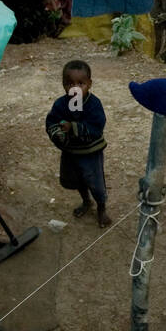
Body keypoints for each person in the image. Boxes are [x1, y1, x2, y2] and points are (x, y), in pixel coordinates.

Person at [46, 60, 111, 227]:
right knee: (78, 180)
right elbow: (51, 122)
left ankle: (101, 208)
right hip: (71, 152)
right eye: (70, 84)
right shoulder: (61, 104)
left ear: (89, 84)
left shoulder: (93, 104)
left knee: (95, 182)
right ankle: (86, 201)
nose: (75, 88)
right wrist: (58, 133)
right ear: (63, 85)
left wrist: (73, 127)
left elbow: (97, 126)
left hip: (90, 153)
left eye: (80, 83)